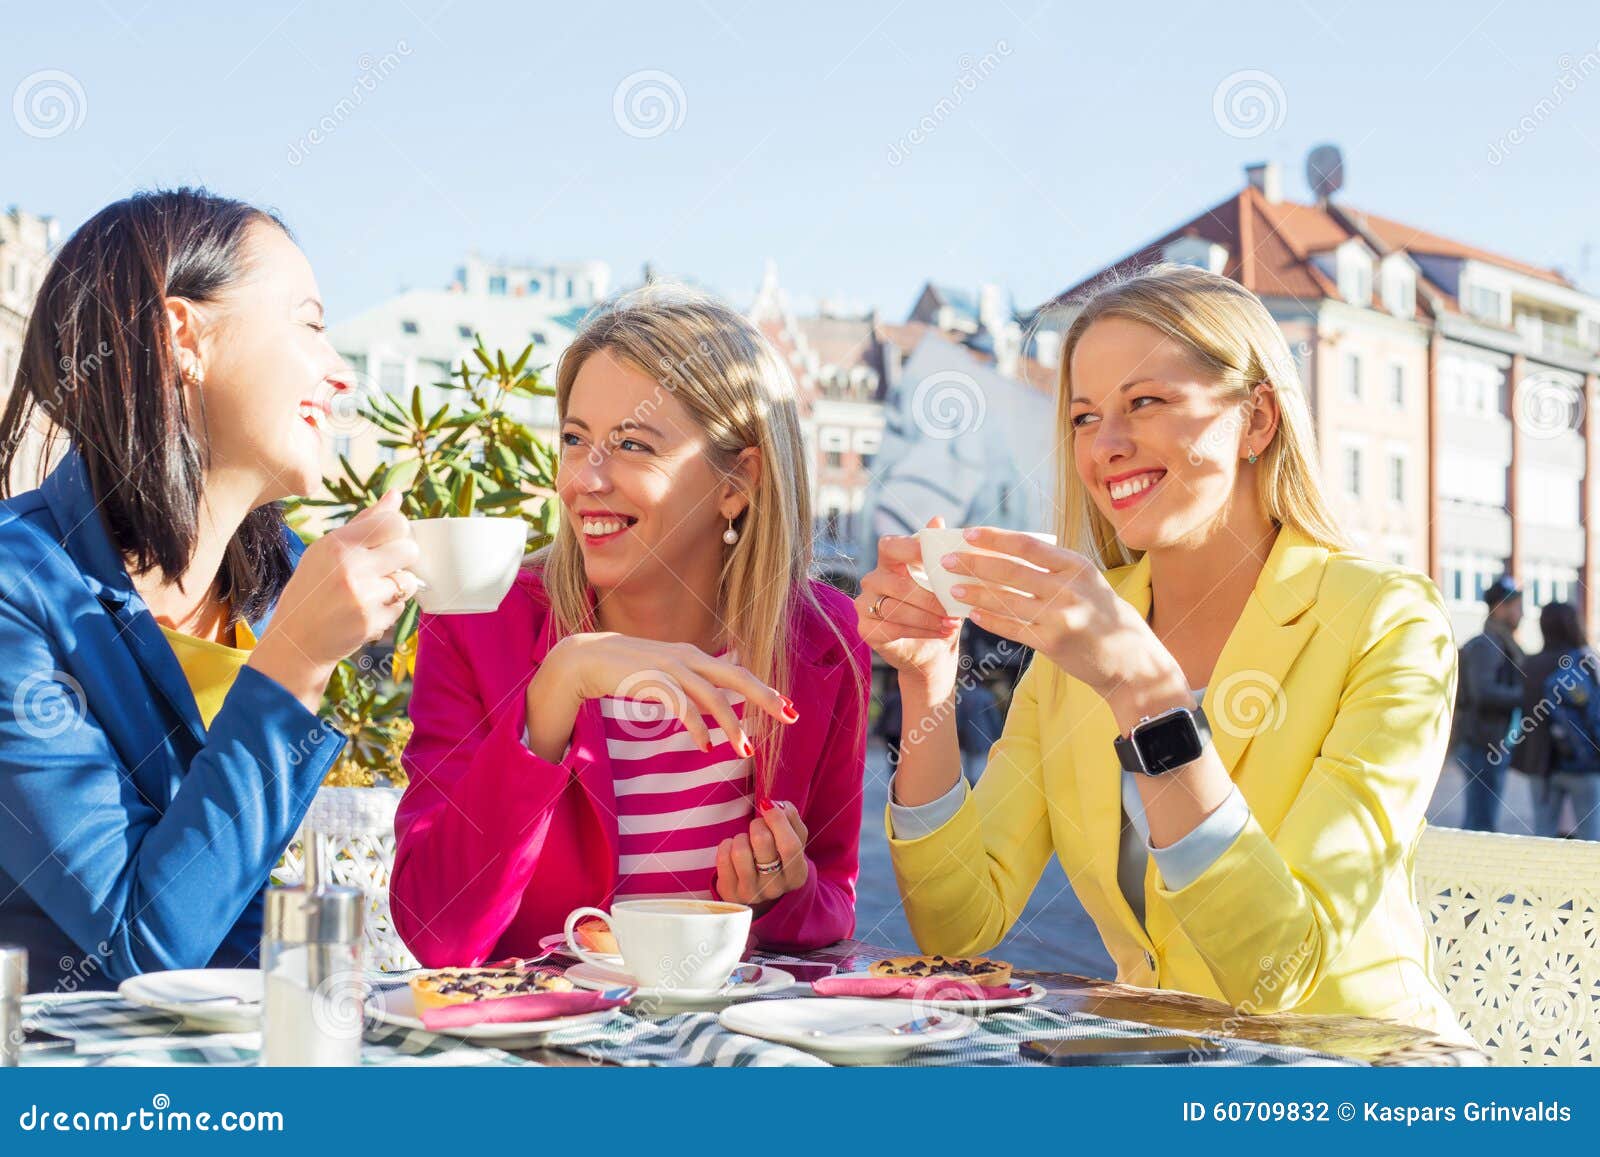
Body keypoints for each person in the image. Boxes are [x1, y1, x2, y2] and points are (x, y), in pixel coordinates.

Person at [856, 263, 1469, 1041]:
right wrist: (929, 682)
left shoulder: (1388, 620)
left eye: (1145, 402)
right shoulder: (1086, 631)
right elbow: (960, 924)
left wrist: (1145, 693)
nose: (1106, 445)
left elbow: (1280, 970)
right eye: (1083, 417)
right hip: (1164, 1065)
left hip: (1355, 1068)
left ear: (1256, 420)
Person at [0, 190, 419, 992]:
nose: (340, 372)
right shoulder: (19, 592)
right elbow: (138, 956)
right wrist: (293, 664)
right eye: (310, 322)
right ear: (181, 336)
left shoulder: (282, 584)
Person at [391, 288, 868, 964]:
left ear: (737, 481)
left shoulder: (824, 642)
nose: (584, 479)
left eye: (632, 444)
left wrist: (781, 892)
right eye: (574, 439)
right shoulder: (478, 624)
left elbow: (832, 899)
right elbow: (435, 929)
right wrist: (557, 690)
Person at [1514, 602, 1600, 840]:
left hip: (1540, 764)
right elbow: (1595, 714)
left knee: (1544, 835)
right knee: (1590, 839)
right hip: (1583, 764)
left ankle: (1543, 878)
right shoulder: (1583, 661)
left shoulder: (1530, 664)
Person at [1454, 576, 1526, 832]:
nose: (1522, 613)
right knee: (1480, 824)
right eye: (1517, 606)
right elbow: (1483, 693)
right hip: (1481, 744)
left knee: (1482, 819)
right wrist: (1526, 695)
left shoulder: (1501, 643)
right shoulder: (1487, 645)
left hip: (1490, 742)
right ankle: (1470, 871)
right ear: (1499, 608)